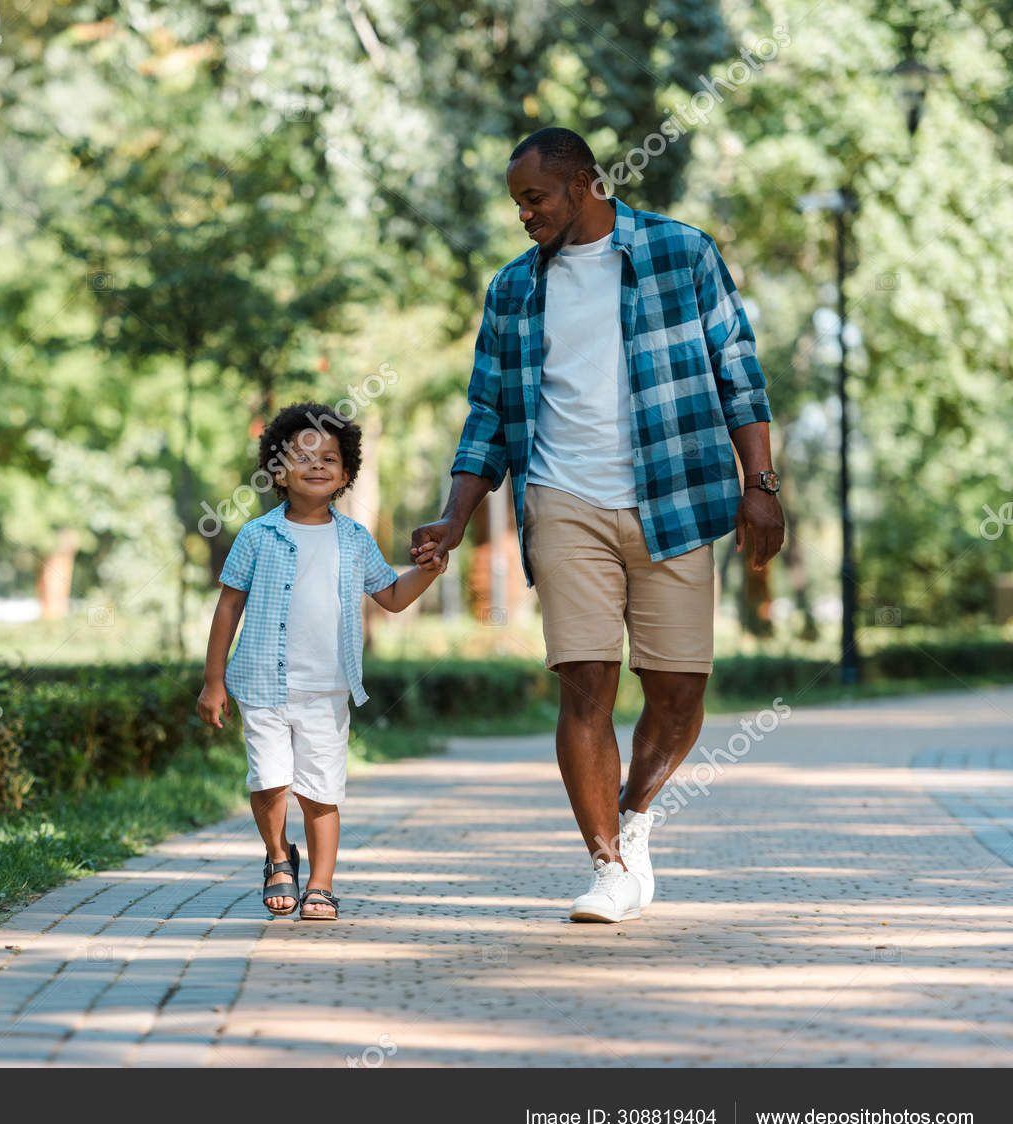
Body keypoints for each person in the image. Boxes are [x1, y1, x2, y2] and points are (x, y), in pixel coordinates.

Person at [412, 127, 785, 923]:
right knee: (586, 683)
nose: (524, 215)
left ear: (584, 182)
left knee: (679, 692)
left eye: (535, 198)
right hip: (561, 497)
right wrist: (452, 519)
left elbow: (738, 368)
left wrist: (760, 484)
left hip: (676, 495)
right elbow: (488, 416)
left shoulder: (680, 254)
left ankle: (635, 813)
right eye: (517, 203)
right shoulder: (513, 289)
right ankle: (607, 865)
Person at [197, 403, 445, 921]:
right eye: (302, 456)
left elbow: (394, 597)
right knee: (268, 779)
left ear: (346, 473)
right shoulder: (257, 536)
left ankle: (321, 885)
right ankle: (278, 857)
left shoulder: (355, 539)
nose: (316, 465)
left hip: (328, 688)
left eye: (329, 458)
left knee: (320, 790)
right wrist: (213, 681)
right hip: (261, 681)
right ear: (277, 471)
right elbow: (229, 607)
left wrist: (430, 570)